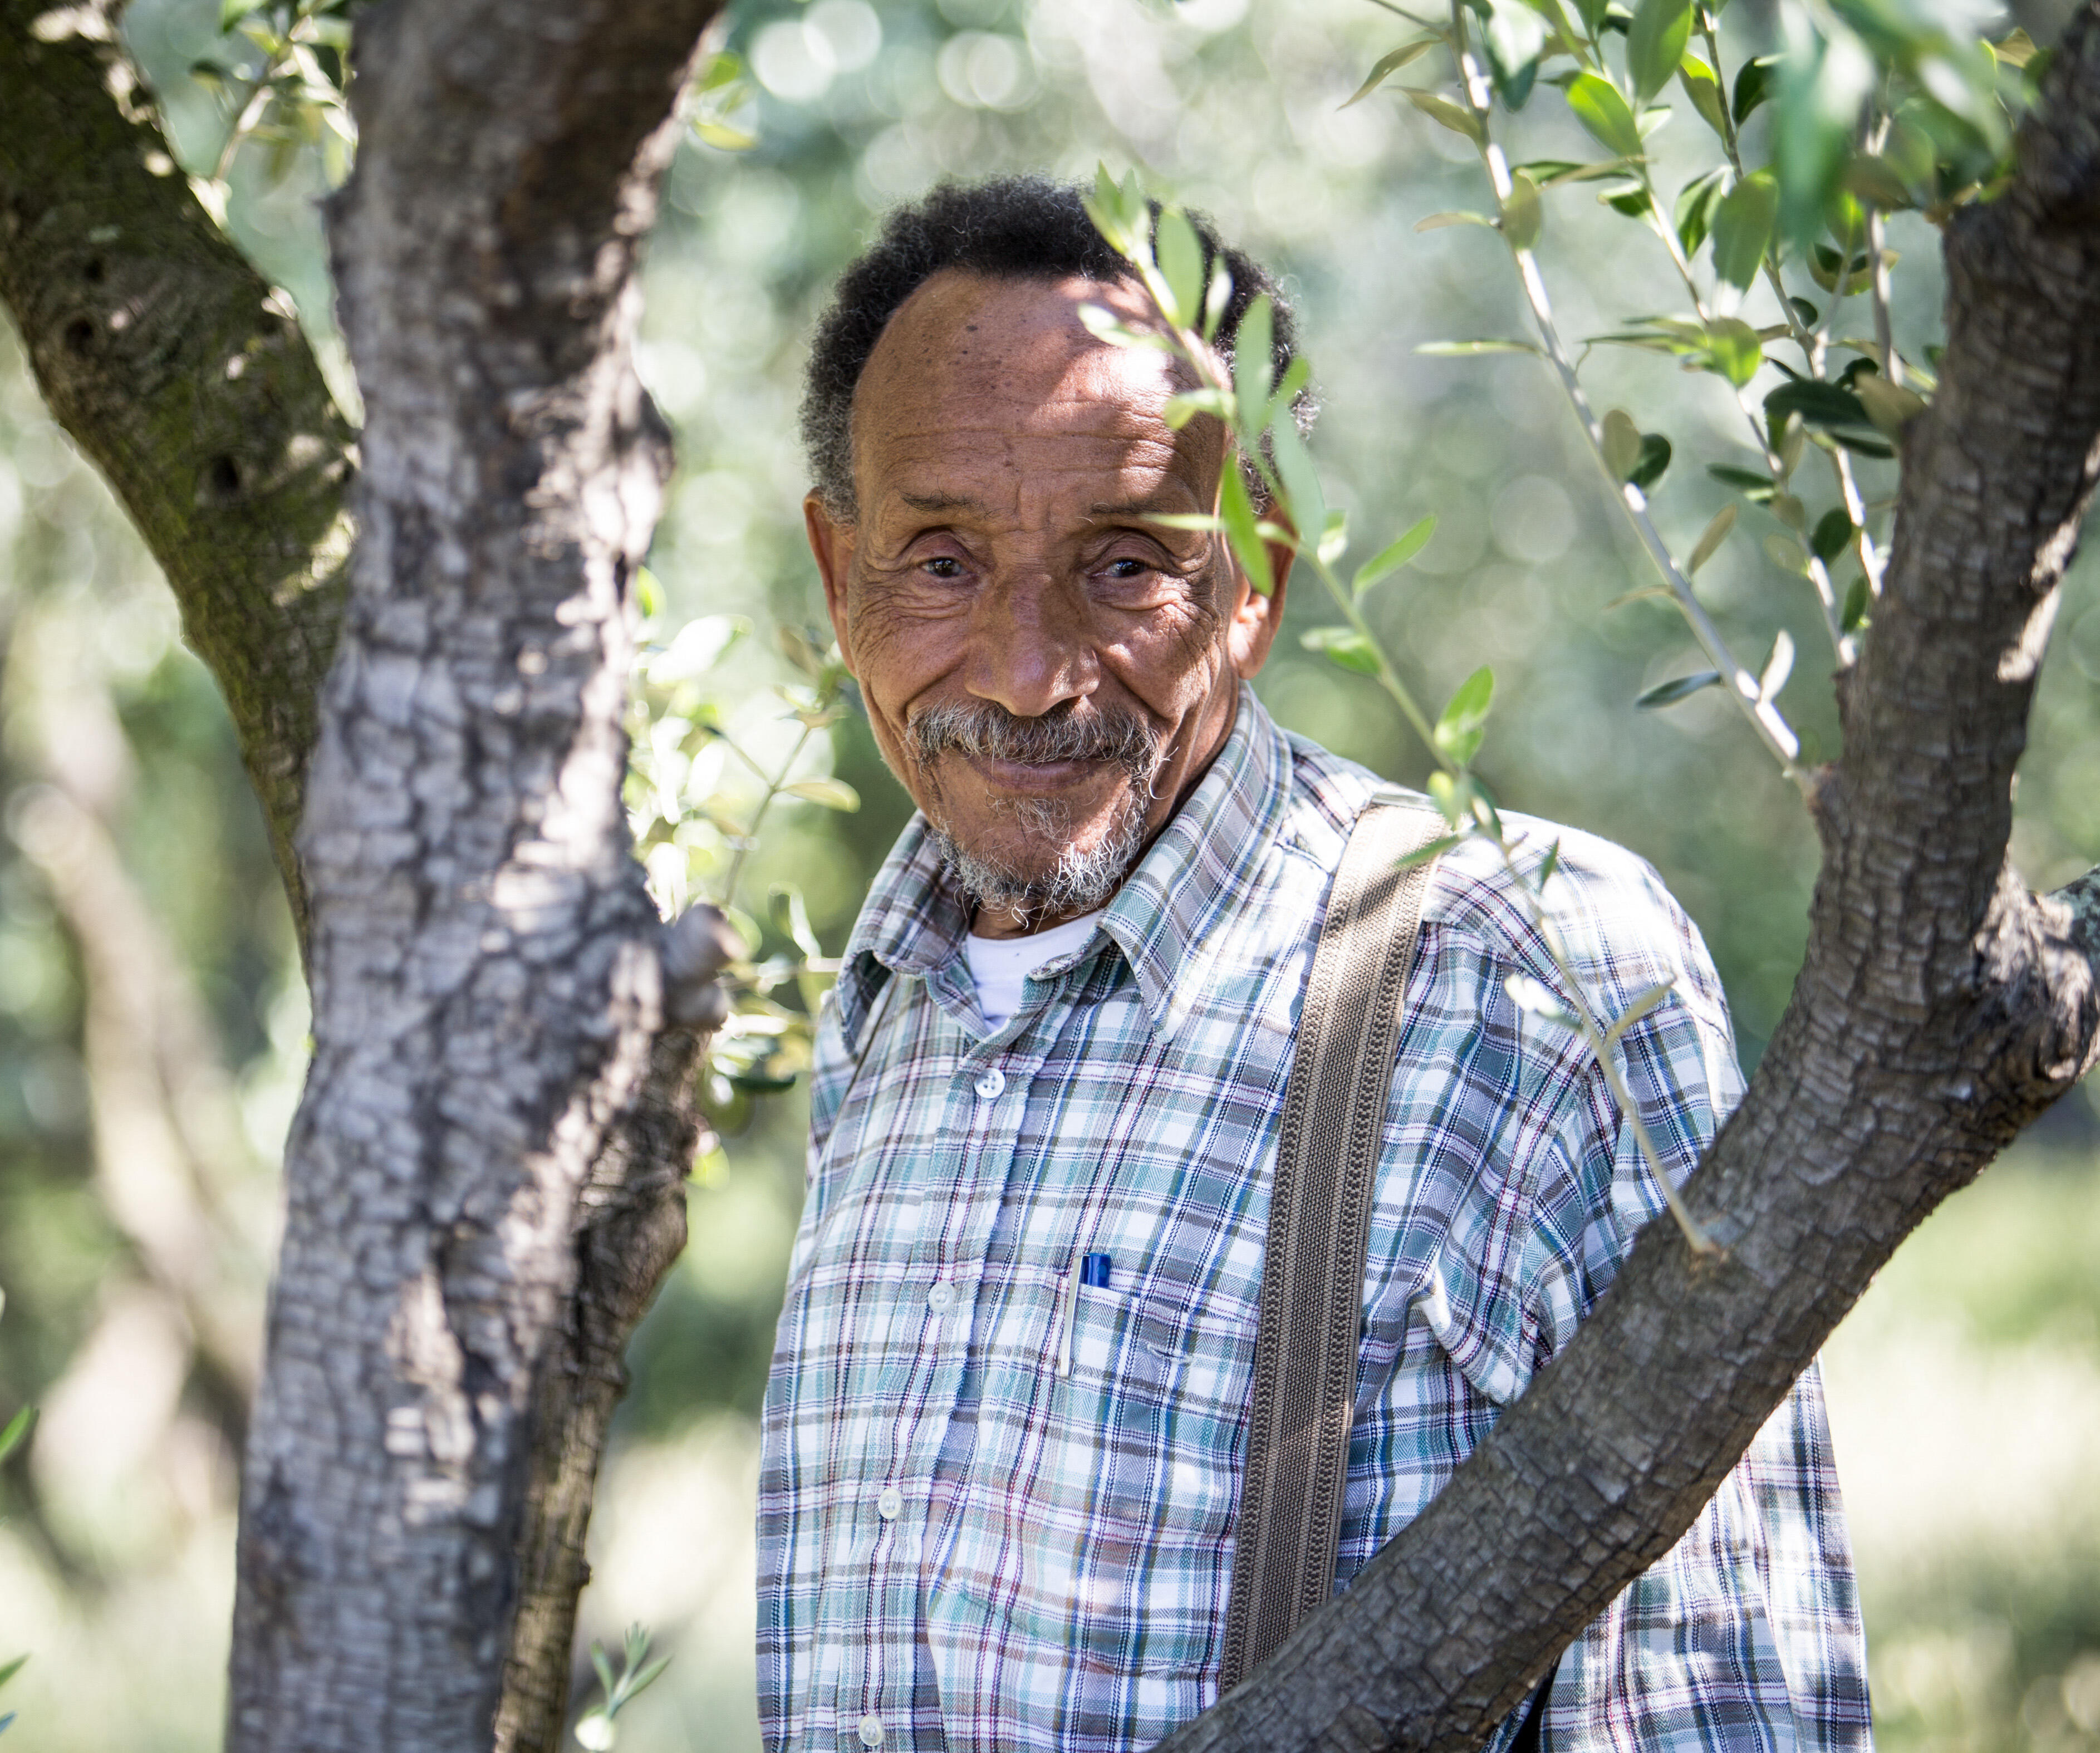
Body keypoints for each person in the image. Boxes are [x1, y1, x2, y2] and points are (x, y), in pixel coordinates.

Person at [754, 176, 1868, 1753]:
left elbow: (1726, 1716)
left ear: (1260, 575)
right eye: (939, 562)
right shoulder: (886, 1007)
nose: (1023, 671)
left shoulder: (1526, 980)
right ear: (837, 575)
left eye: (1126, 563)